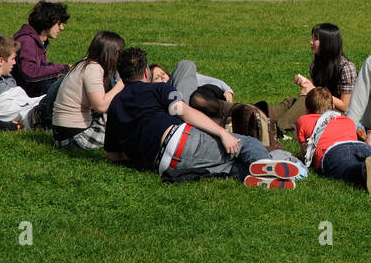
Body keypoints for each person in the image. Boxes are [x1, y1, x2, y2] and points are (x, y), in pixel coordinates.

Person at [105, 46, 302, 186]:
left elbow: (113, 156)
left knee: (229, 166)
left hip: (163, 165)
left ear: (122, 78)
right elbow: (184, 111)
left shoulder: (114, 106)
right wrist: (223, 133)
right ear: (146, 74)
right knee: (246, 144)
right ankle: (268, 166)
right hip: (181, 141)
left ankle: (257, 177)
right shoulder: (159, 88)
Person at [52, 30, 126, 150]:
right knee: (123, 129)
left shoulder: (83, 64)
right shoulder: (93, 68)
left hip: (63, 135)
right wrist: (121, 84)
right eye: (119, 53)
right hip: (76, 137)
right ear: (112, 53)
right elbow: (100, 106)